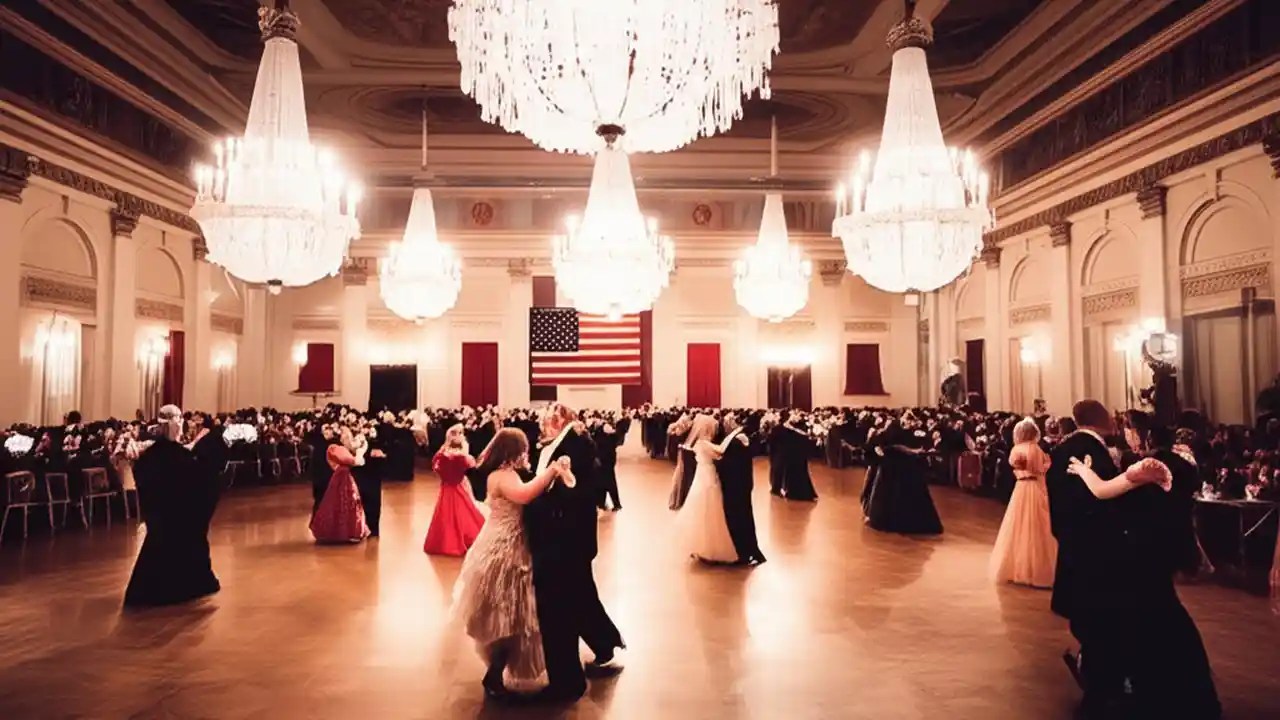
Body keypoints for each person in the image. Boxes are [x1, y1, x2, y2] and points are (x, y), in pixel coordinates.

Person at [1067, 454, 1221, 718]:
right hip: (1157, 592)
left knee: (1120, 644)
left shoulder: (1147, 479)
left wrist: (1082, 470)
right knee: (1170, 645)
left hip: (1129, 590)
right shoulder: (1170, 514)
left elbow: (1102, 491)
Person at [451, 428, 570, 697]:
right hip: (504, 547)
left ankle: (494, 672)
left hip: (508, 541)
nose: (525, 454)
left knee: (511, 616)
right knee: (507, 615)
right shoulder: (502, 476)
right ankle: (493, 675)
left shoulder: (504, 473)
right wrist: (551, 472)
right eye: (522, 450)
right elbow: (525, 495)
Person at [524, 403, 625, 703]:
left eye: (546, 419)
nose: (542, 424)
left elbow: (576, 494)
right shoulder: (563, 443)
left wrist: (535, 501)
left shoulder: (574, 445)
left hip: (562, 543)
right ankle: (604, 643)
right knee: (579, 598)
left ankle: (566, 682)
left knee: (557, 613)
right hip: (565, 542)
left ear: (558, 420)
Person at [123, 405, 222, 608]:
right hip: (178, 518)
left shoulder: (150, 456)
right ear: (175, 424)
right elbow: (198, 485)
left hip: (158, 519)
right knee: (188, 534)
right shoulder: (178, 456)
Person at [990, 417, 1057, 588]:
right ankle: (1041, 569)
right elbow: (1043, 467)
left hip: (1022, 487)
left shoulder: (1017, 449)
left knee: (1019, 524)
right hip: (1038, 486)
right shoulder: (1038, 449)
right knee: (1039, 524)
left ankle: (1018, 567)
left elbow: (1016, 465)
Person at [864, 413, 943, 535]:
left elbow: (917, 445)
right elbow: (888, 444)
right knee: (890, 494)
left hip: (903, 467)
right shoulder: (894, 427)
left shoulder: (911, 431)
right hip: (893, 466)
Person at [676, 415, 739, 564]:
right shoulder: (704, 444)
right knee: (710, 508)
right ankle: (708, 547)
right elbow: (719, 453)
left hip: (703, 475)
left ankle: (699, 545)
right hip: (708, 475)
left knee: (702, 508)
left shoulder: (699, 443)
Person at [424, 424, 486, 557]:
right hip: (453, 486)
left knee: (461, 511)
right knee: (457, 512)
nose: (460, 436)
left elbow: (438, 466)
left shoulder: (446, 453)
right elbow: (468, 464)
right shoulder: (452, 454)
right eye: (457, 433)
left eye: (461, 433)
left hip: (454, 486)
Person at [716, 413, 765, 566]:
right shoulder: (734, 437)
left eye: (728, 421)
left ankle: (745, 552)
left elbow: (735, 461)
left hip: (737, 485)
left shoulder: (740, 438)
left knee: (740, 518)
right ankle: (746, 550)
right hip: (736, 484)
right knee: (740, 518)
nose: (725, 424)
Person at [310, 443, 368, 544]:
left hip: (343, 478)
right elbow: (351, 461)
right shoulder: (334, 447)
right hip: (340, 479)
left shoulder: (340, 448)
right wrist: (360, 452)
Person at [669, 416, 701, 510]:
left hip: (683, 454)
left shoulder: (684, 428)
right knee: (683, 476)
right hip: (684, 455)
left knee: (682, 476)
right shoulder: (690, 428)